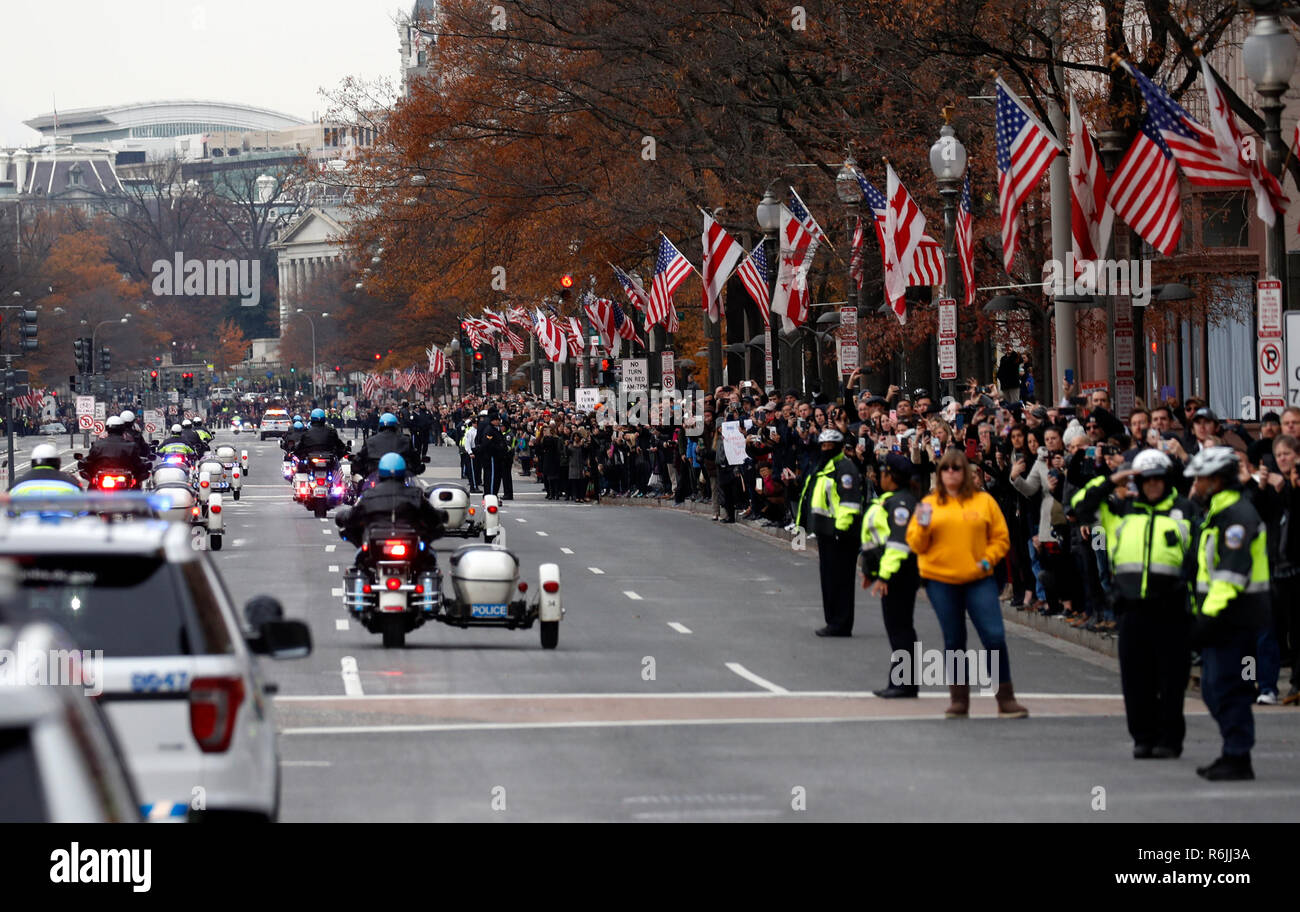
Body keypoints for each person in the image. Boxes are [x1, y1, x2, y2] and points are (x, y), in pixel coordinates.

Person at [1070, 449, 1197, 758]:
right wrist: (1112, 478)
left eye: (1157, 479)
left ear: (1166, 480)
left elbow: (1198, 561)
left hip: (1172, 609)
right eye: (1145, 480)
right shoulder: (1120, 510)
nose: (1152, 485)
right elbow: (1078, 505)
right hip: (1131, 608)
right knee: (1136, 679)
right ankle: (1143, 737)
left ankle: (1169, 740)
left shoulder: (1185, 511)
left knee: (1171, 679)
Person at [906, 448, 1025, 718]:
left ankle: (1005, 698)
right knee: (954, 639)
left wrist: (987, 560)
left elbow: (1000, 538)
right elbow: (916, 544)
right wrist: (923, 524)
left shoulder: (983, 502)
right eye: (946, 468)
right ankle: (959, 700)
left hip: (978, 579)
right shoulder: (929, 503)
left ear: (966, 473)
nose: (951, 473)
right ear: (939, 473)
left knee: (994, 636)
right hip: (941, 581)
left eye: (956, 468)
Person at [1183, 447, 1270, 781]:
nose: (1196, 484)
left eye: (1201, 478)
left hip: (1234, 615)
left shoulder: (1237, 516)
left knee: (1226, 686)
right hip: (1221, 613)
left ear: (1216, 480)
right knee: (1213, 687)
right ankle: (1233, 750)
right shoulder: (1218, 512)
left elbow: (1231, 573)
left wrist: (1208, 617)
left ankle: (1237, 755)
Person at [795, 428, 865, 637]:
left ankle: (841, 623)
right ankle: (832, 620)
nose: (826, 449)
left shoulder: (845, 468)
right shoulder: (823, 466)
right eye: (823, 446)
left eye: (830, 446)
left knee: (841, 580)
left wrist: (840, 530)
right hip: (825, 532)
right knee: (829, 579)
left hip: (840, 534)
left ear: (838, 447)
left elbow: (849, 502)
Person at [861, 453, 920, 697]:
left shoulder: (901, 504)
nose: (879, 477)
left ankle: (904, 684)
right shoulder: (894, 500)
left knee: (900, 628)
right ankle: (901, 682)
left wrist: (884, 576)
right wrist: (871, 570)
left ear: (891, 476)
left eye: (883, 473)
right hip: (894, 572)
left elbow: (898, 545)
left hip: (899, 574)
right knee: (898, 627)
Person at [337, 454, 447, 572]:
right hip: (408, 545)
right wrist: (441, 516)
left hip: (378, 547)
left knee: (358, 563)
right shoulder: (414, 494)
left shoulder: (370, 495)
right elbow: (432, 516)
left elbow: (352, 516)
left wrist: (343, 517)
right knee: (430, 563)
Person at [82, 417, 151, 484]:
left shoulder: (97, 445)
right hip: (118, 483)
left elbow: (89, 461)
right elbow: (138, 464)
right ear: (122, 429)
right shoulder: (131, 446)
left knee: (92, 486)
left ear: (107, 429)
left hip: (123, 482)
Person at [355, 413, 422, 478]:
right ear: (396, 426)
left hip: (376, 477)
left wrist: (358, 469)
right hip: (399, 478)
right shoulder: (406, 440)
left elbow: (359, 459)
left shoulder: (370, 441)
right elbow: (415, 459)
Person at [10, 444, 82, 494]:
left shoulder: (18, 484)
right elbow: (84, 509)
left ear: (32, 462)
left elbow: (6, 511)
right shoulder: (71, 482)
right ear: (58, 462)